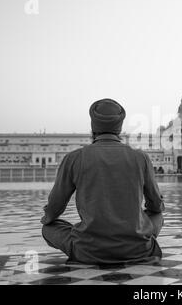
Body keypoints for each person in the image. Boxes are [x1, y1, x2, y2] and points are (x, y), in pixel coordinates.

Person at [41, 98, 165, 265]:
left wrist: (48, 217)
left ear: (93, 128)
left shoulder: (74, 158)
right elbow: (156, 205)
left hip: (88, 250)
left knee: (49, 228)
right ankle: (138, 242)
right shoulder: (140, 158)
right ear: (119, 129)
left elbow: (55, 207)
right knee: (157, 216)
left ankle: (85, 245)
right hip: (137, 248)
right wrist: (140, 219)